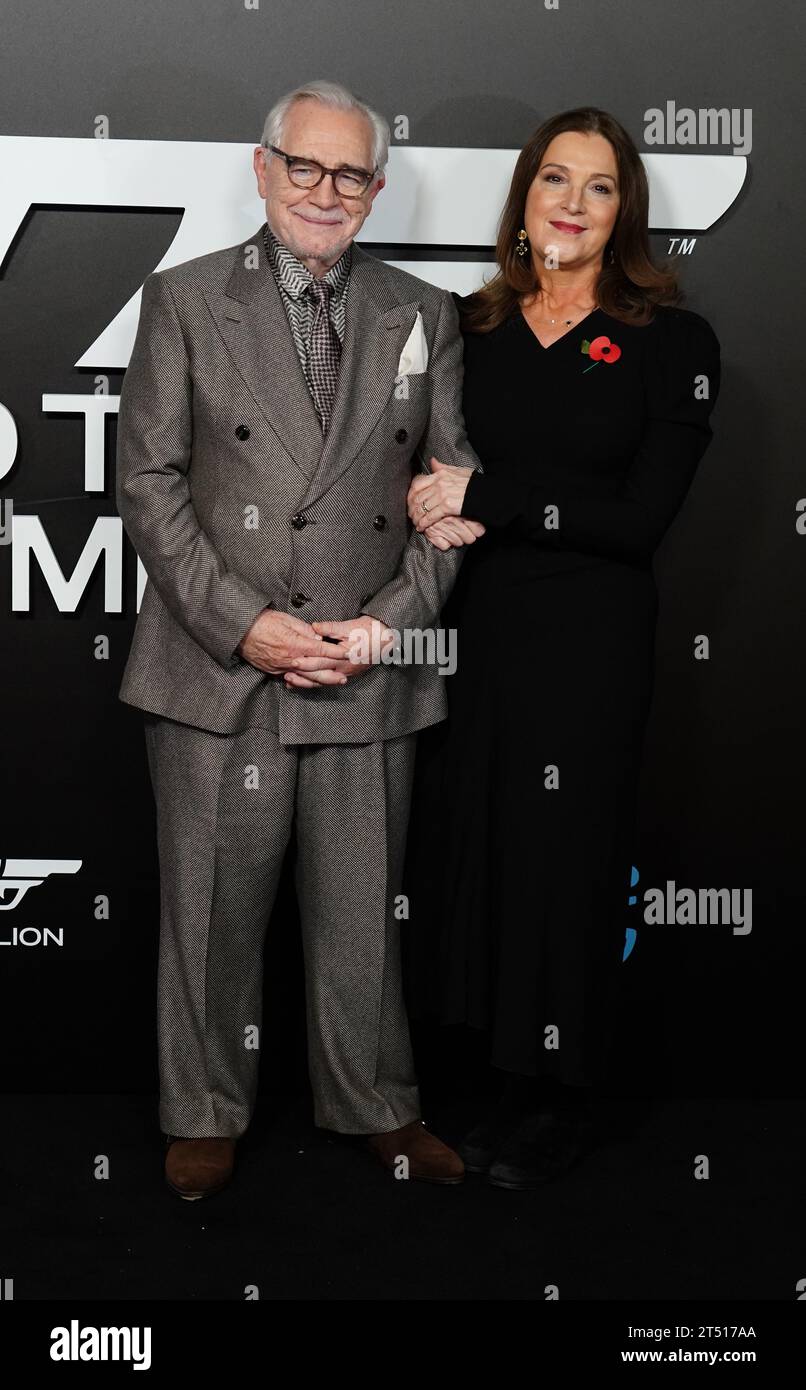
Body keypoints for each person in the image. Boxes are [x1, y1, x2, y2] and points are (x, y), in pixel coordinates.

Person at [116, 79, 486, 1199]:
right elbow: (149, 484)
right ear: (263, 167)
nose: (326, 193)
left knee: (361, 913)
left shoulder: (421, 312)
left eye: (350, 175)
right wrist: (249, 627)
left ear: (374, 190)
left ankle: (374, 1101)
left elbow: (451, 486)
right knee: (212, 912)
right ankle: (204, 1108)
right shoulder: (183, 299)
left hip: (363, 666)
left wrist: (390, 624)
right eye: (306, 167)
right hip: (221, 659)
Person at [403, 107, 721, 1190]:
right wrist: (435, 506)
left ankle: (560, 1094)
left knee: (565, 861)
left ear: (622, 208)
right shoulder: (471, 326)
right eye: (553, 180)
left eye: (595, 185)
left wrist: (488, 496)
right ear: (524, 198)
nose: (570, 204)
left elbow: (635, 520)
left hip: (588, 644)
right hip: (479, 632)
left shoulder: (670, 341)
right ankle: (495, 1077)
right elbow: (430, 470)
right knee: (484, 852)